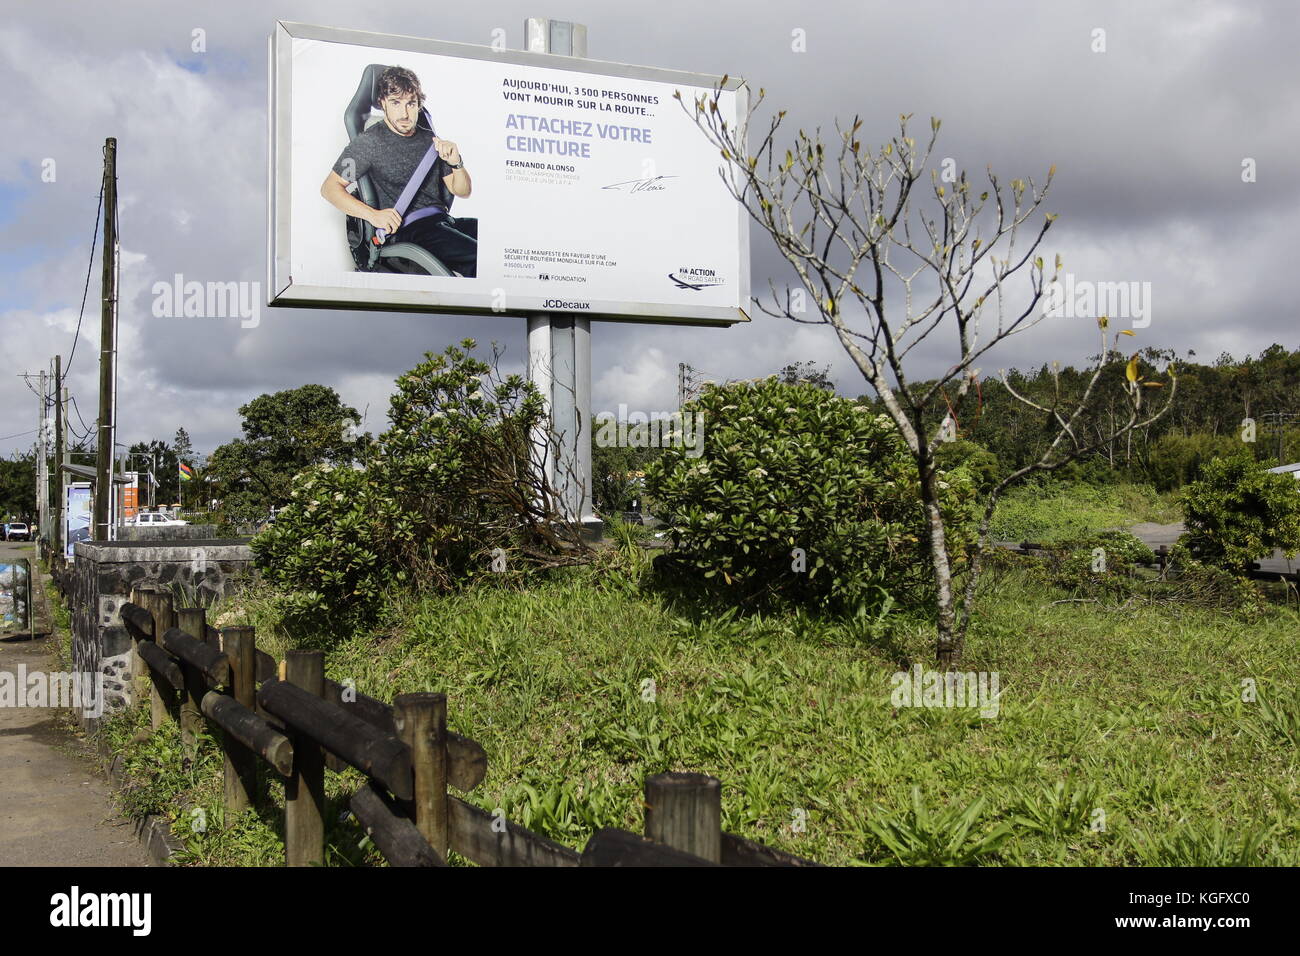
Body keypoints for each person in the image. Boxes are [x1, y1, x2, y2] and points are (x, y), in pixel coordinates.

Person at [321, 65, 478, 277]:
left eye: (410, 103)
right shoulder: (368, 143)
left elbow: (462, 190)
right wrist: (374, 216)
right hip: (410, 231)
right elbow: (330, 188)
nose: (404, 113)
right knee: (477, 255)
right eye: (396, 103)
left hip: (443, 222)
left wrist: (456, 162)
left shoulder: (428, 136)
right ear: (382, 103)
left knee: (498, 244)